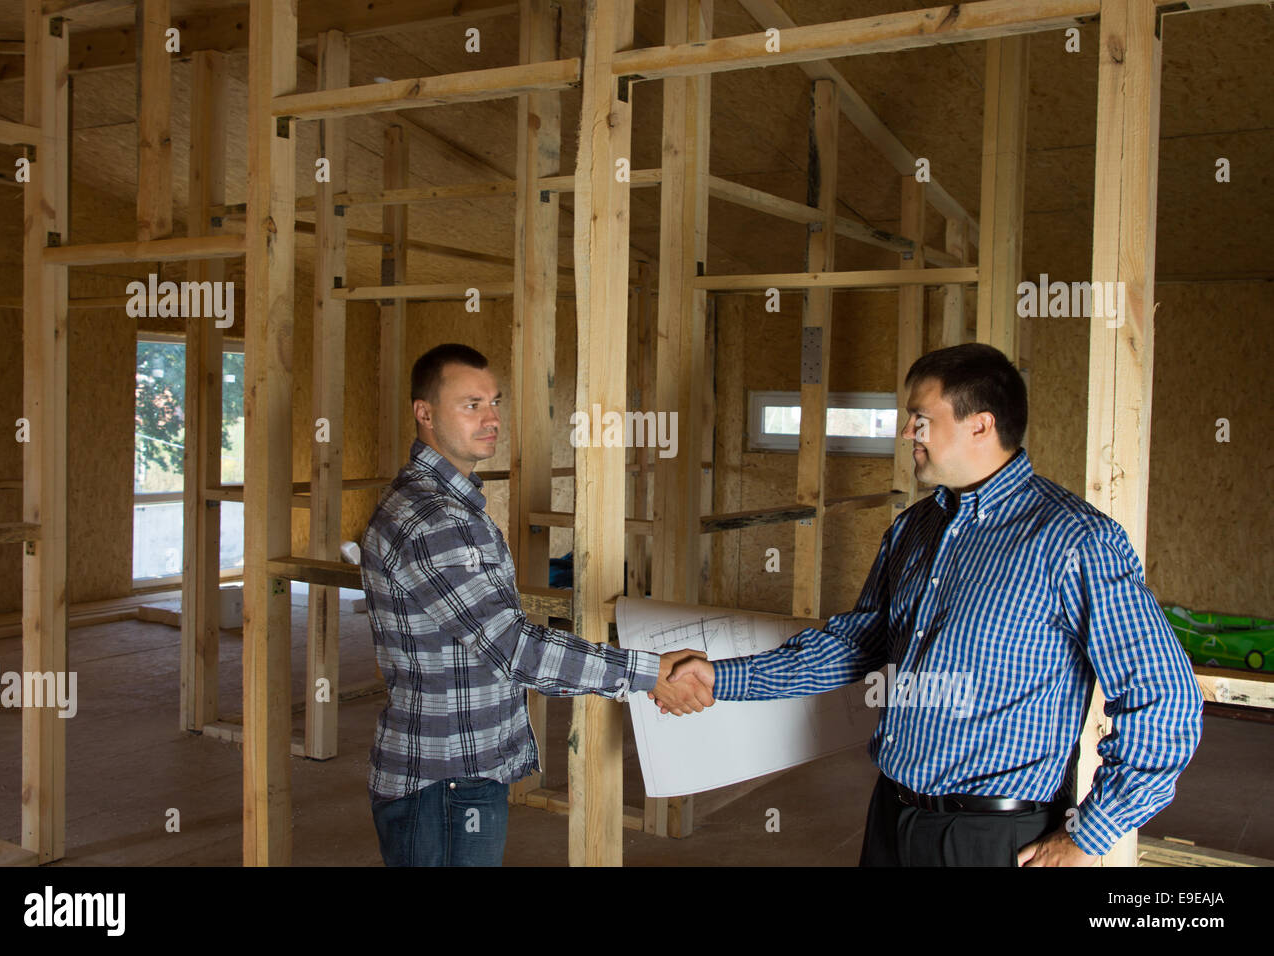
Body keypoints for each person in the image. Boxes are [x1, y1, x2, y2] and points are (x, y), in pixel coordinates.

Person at [658, 343, 1203, 867]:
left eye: (920, 418)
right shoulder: (914, 529)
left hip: (995, 839)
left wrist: (1091, 834)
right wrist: (719, 678)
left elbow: (1165, 700)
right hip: (892, 815)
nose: (906, 433)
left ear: (980, 424)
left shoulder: (1074, 540)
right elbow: (853, 646)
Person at [360, 343, 710, 867]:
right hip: (443, 783)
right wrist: (646, 672)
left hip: (460, 773)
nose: (492, 418)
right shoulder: (432, 519)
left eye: (494, 402)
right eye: (471, 404)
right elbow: (513, 648)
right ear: (425, 413)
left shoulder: (452, 506)